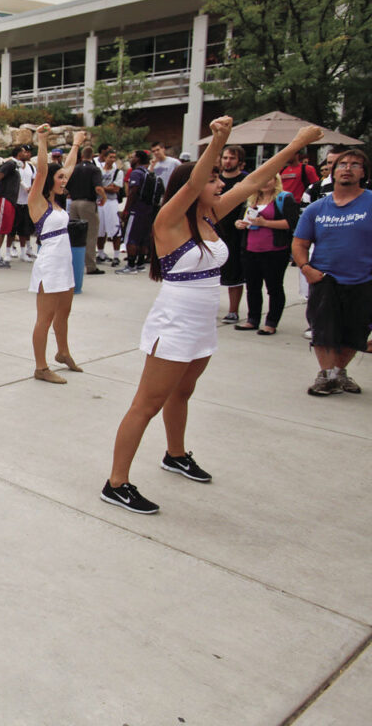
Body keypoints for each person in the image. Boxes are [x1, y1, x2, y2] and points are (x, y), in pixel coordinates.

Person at [102, 119, 322, 514]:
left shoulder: (210, 215)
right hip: (174, 322)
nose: (220, 185)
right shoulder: (169, 219)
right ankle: (116, 482)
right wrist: (218, 141)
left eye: (220, 179)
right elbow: (190, 184)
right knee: (146, 404)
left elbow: (254, 181)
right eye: (214, 178)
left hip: (202, 323)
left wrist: (296, 145)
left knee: (183, 393)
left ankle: (175, 454)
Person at [293, 149, 372, 396]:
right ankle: (326, 375)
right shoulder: (317, 208)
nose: (347, 168)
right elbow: (299, 243)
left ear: (363, 173)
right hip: (325, 279)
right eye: (342, 164)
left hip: (363, 280)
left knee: (355, 332)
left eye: (355, 165)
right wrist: (306, 268)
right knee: (323, 331)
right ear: (333, 172)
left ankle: (339, 372)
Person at [26, 126, 82, 383]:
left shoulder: (58, 203)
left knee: (64, 314)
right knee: (44, 319)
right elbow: (43, 170)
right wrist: (42, 139)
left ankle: (63, 352)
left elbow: (67, 168)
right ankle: (41, 367)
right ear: (50, 180)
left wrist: (76, 145)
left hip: (65, 265)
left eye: (64, 178)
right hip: (49, 266)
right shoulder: (37, 201)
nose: (64, 180)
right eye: (59, 178)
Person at [234, 174, 298, 335]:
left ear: (276, 181)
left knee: (274, 288)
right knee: (252, 287)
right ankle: (252, 319)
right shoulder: (251, 199)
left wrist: (265, 223)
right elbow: (240, 218)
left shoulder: (284, 198)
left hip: (274, 251)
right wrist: (239, 223)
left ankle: (271, 322)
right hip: (250, 250)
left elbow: (291, 223)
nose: (264, 182)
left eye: (268, 178)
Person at [215, 145, 249, 323]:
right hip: (214, 231)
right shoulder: (215, 180)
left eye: (232, 158)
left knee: (234, 272)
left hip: (236, 234)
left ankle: (233, 311)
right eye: (225, 157)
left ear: (240, 162)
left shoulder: (246, 181)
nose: (228, 161)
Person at [116, 150, 160, 275]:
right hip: (148, 211)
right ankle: (140, 263)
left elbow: (133, 191)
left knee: (131, 238)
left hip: (136, 210)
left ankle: (130, 265)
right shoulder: (149, 173)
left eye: (133, 157)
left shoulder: (136, 173)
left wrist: (126, 209)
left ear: (139, 159)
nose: (131, 159)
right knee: (143, 238)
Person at [65, 145, 106, 275]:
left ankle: (73, 263)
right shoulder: (94, 170)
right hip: (87, 203)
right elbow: (98, 188)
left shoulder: (74, 169)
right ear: (92, 156)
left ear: (82, 156)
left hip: (74, 203)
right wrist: (103, 197)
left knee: (74, 235)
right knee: (90, 235)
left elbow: (66, 187)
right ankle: (90, 266)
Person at [0, 150, 23, 267]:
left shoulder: (15, 167)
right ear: (19, 153)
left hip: (10, 202)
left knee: (4, 229)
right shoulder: (10, 164)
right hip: (4, 200)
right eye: (25, 151)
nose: (27, 153)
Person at [95, 148, 125, 267]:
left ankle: (116, 255)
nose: (112, 160)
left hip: (111, 202)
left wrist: (102, 188)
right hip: (100, 201)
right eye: (110, 157)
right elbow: (96, 186)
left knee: (115, 229)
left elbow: (116, 188)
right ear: (105, 158)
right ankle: (101, 253)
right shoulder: (99, 171)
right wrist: (106, 187)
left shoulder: (118, 172)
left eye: (114, 157)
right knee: (100, 229)